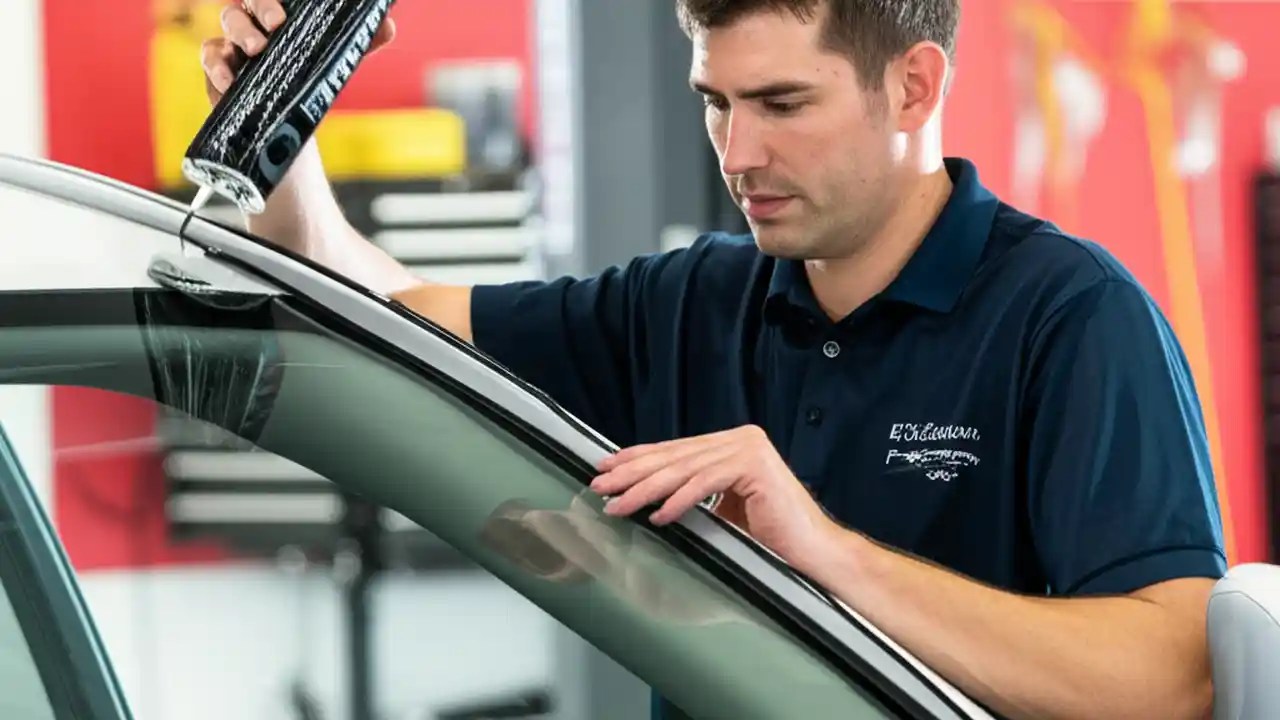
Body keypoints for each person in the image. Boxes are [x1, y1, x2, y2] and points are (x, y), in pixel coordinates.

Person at [204, 1, 1227, 718]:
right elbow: (378, 308)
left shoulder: (1071, 319)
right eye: (714, 101)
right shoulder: (690, 299)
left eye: (781, 105)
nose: (735, 154)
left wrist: (822, 556)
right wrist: (283, 132)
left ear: (912, 86)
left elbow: (1166, 682)